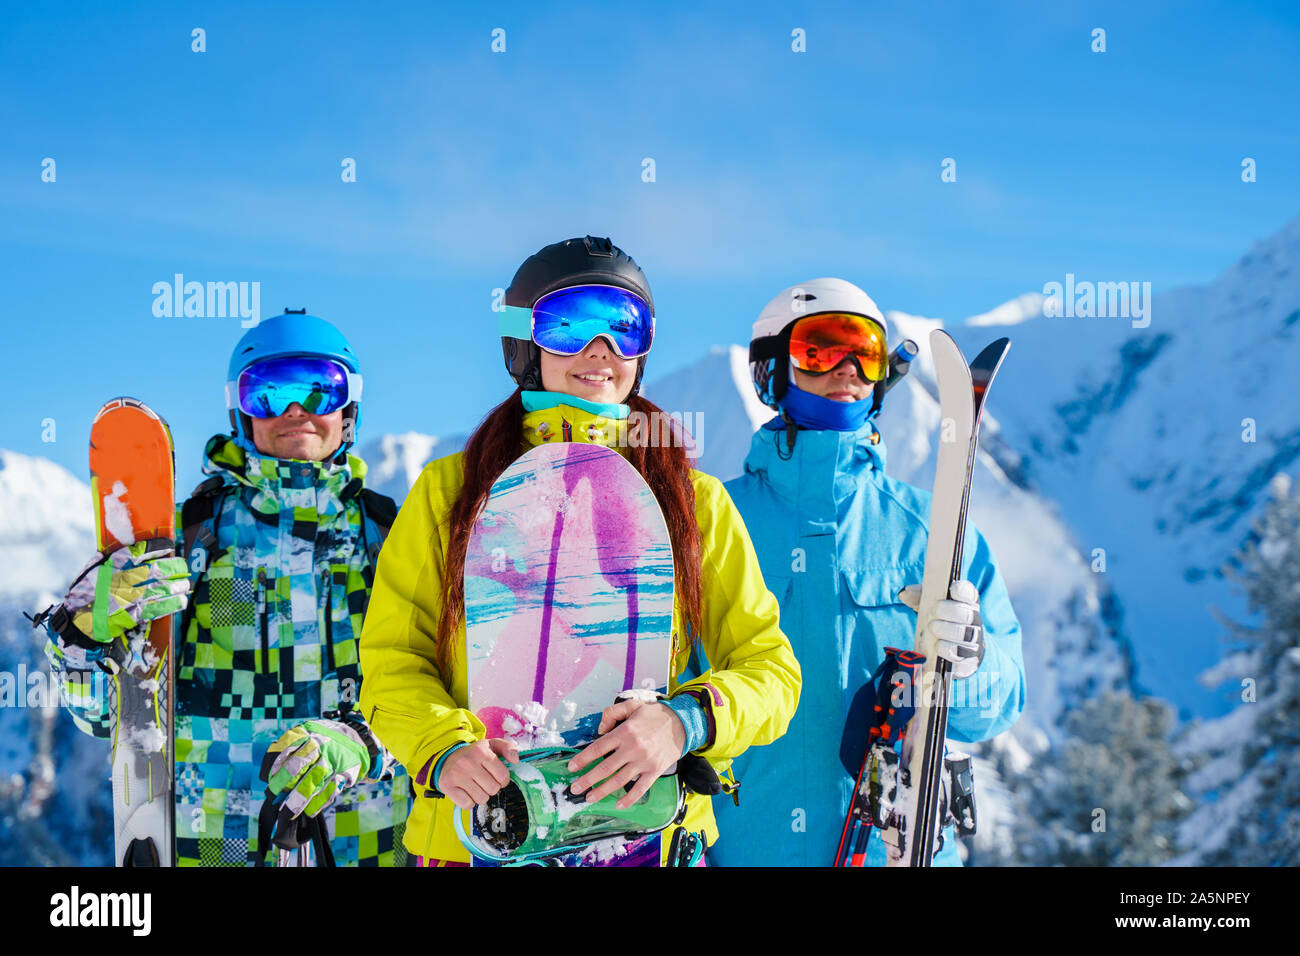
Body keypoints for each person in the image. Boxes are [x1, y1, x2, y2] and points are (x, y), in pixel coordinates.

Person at [358, 236, 801, 866]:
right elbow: (392, 659)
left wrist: (683, 723)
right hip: (481, 829)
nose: (601, 351)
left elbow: (770, 669)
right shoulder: (450, 492)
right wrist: (442, 746)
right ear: (522, 345)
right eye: (569, 325)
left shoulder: (691, 500)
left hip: (649, 836)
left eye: (625, 327)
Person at [38, 309, 409, 866]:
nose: (294, 410)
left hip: (368, 839)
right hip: (216, 841)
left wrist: (368, 744)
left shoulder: (394, 540)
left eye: (319, 389)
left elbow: (437, 693)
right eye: (267, 392)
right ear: (240, 410)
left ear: (349, 405)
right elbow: (111, 720)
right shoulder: (186, 540)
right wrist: (85, 639)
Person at [710, 278, 1025, 866]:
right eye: (822, 347)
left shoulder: (934, 531)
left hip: (899, 851)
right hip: (751, 845)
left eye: (866, 351)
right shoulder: (712, 523)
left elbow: (1000, 707)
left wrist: (974, 664)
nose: (848, 366)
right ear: (773, 370)